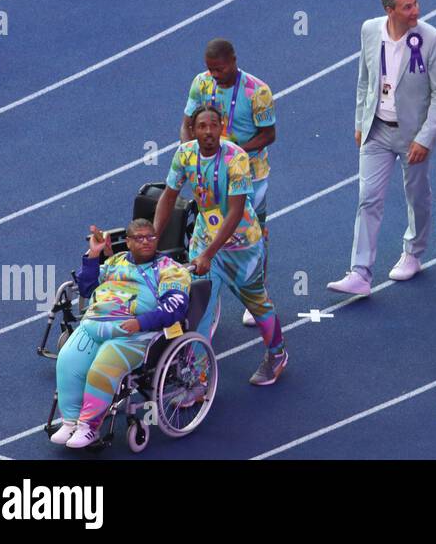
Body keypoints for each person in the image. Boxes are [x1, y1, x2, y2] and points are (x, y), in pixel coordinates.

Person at [329, 0, 436, 293]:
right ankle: (360, 272)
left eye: (416, 3)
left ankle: (413, 252)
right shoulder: (370, 30)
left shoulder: (432, 39)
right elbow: (364, 79)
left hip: (413, 136)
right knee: (367, 199)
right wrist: (360, 121)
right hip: (376, 130)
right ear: (389, 10)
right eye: (407, 7)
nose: (416, 11)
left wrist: (426, 137)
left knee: (417, 197)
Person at [154, 104, 287, 386]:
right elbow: (168, 196)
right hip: (204, 242)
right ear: (193, 130)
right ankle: (198, 381)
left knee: (257, 302)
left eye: (214, 125)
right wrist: (153, 237)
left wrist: (208, 254)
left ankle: (277, 353)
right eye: (202, 126)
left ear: (222, 126)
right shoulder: (184, 154)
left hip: (242, 248)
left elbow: (236, 211)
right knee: (199, 308)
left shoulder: (236, 158)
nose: (209, 132)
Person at [50, 219, 191, 449]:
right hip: (93, 326)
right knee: (67, 361)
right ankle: (70, 422)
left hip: (133, 335)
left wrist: (140, 322)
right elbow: (87, 288)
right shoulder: (116, 261)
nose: (146, 241)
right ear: (128, 241)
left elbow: (175, 308)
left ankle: (88, 428)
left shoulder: (170, 270)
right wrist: (93, 256)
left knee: (102, 369)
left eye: (151, 237)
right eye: (139, 238)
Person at [181, 38, 275, 327]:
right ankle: (211, 285)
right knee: (209, 227)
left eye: (219, 69)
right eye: (210, 69)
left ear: (234, 61)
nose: (214, 75)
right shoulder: (201, 83)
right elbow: (187, 123)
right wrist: (191, 155)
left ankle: (256, 289)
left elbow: (269, 134)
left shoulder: (257, 91)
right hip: (208, 171)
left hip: (251, 174)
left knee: (251, 231)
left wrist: (233, 157)